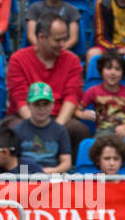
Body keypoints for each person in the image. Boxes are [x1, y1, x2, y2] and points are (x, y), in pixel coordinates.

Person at [6, 14, 86, 149]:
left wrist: (55, 128)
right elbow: (19, 99)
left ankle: (67, 168)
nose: (63, 44)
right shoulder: (18, 59)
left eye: (64, 39)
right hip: (25, 116)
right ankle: (22, 169)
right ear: (41, 37)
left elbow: (72, 97)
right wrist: (36, 126)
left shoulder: (72, 60)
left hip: (59, 117)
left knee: (79, 130)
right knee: (13, 131)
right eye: (57, 40)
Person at [13, 82, 72, 174]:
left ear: (52, 105)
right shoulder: (17, 130)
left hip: (52, 175)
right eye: (37, 104)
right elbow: (13, 160)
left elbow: (66, 162)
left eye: (46, 104)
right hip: (25, 176)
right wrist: (26, 175)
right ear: (28, 105)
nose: (42, 108)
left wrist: (52, 171)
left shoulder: (60, 130)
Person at [78, 50, 125, 139]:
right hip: (103, 131)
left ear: (123, 72)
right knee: (100, 144)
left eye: (117, 69)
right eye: (108, 68)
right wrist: (83, 115)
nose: (113, 73)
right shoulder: (93, 91)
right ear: (101, 70)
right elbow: (76, 110)